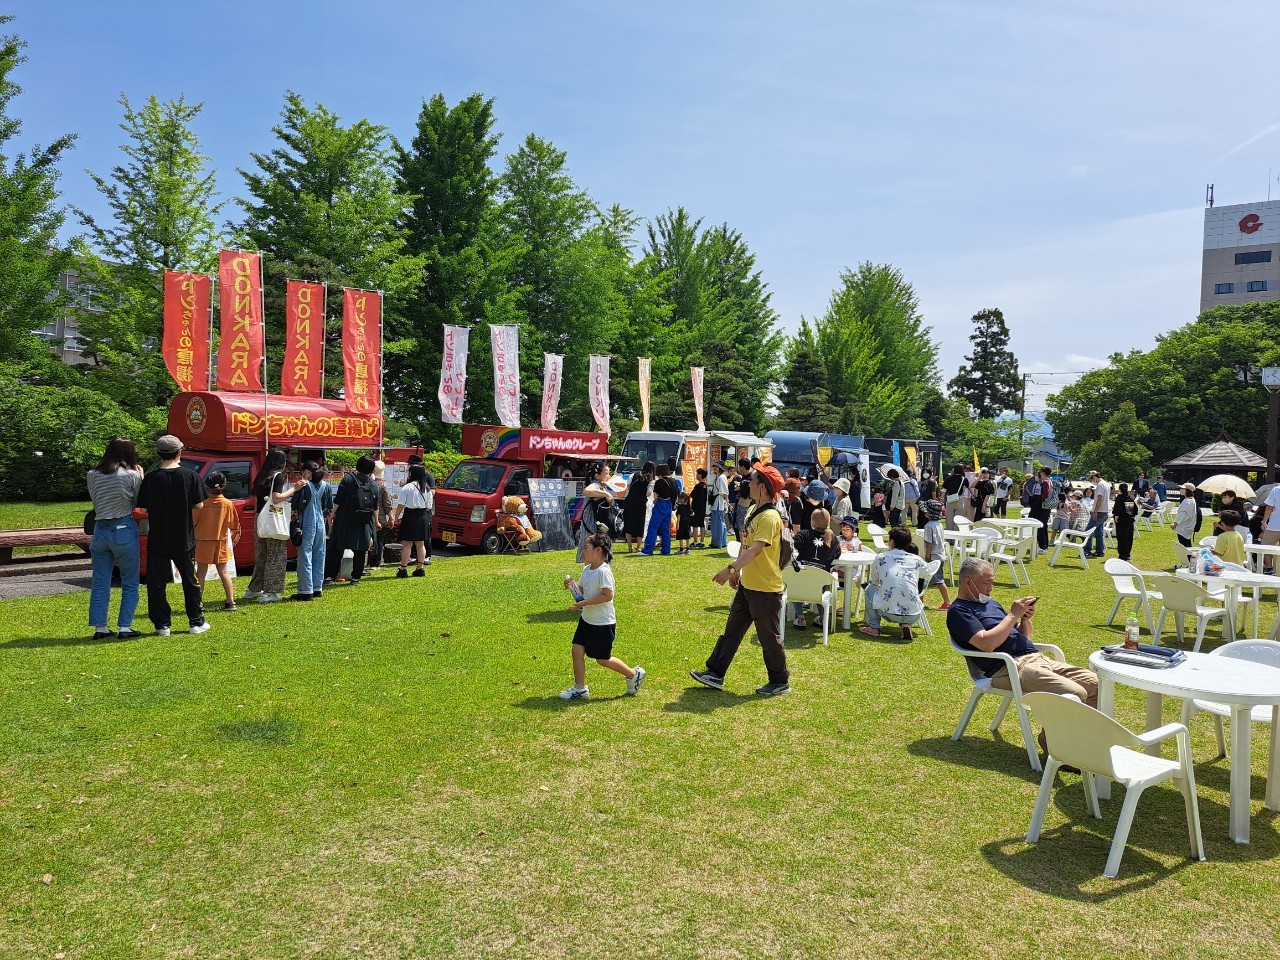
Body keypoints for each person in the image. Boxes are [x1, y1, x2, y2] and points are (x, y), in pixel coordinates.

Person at [948, 559, 1098, 725]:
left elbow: (1024, 637)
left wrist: (1025, 619)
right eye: (987, 583)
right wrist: (1012, 616)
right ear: (968, 582)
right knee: (1075, 693)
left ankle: (1086, 740)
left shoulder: (992, 604)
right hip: (1010, 668)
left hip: (1037, 659)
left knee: (1096, 685)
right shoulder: (958, 611)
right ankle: (1053, 744)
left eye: (993, 583)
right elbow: (986, 644)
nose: (991, 589)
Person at [692, 464, 791, 696]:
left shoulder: (769, 516)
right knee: (732, 631)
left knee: (769, 638)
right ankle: (715, 673)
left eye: (755, 479)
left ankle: (780, 681)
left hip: (766, 589)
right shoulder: (753, 510)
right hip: (749, 586)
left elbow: (756, 549)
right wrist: (738, 572)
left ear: (764, 488)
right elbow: (745, 545)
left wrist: (730, 569)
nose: (750, 482)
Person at [136, 434, 209, 636]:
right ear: (179, 452)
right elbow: (199, 504)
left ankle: (162, 625)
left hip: (158, 537)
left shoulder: (151, 478)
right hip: (183, 537)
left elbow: (143, 510)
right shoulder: (190, 476)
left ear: (158, 454)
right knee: (190, 580)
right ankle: (196, 621)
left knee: (157, 582)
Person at [559, 529, 644, 700]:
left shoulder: (603, 571)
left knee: (602, 659)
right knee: (576, 650)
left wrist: (583, 604)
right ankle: (580, 688)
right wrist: (572, 586)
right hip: (587, 620)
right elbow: (582, 591)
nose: (583, 551)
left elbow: (607, 595)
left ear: (598, 550)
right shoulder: (587, 569)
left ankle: (633, 675)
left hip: (602, 623)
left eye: (586, 547)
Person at [86, 437, 144, 640]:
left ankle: (100, 627)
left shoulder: (92, 474)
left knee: (100, 581)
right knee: (130, 580)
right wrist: (141, 477)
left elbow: (95, 498)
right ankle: (125, 627)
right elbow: (138, 501)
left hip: (100, 529)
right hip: (123, 527)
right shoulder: (131, 475)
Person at [243, 450, 304, 603]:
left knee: (262, 556)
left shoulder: (262, 475)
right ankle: (271, 592)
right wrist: (294, 489)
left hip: (260, 518)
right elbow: (276, 498)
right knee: (276, 556)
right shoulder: (278, 476)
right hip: (273, 519)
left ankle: (253, 589)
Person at [859, 526, 929, 639]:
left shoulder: (881, 557)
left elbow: (875, 581)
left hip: (887, 612)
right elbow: (927, 573)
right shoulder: (916, 559)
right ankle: (906, 624)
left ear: (892, 542)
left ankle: (874, 627)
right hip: (914, 613)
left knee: (869, 588)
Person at [324, 455, 380, 585]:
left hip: (345, 519)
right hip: (364, 521)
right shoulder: (373, 484)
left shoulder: (348, 479)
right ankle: (356, 578)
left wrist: (332, 513)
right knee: (360, 550)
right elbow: (375, 506)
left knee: (337, 548)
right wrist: (376, 522)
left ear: (357, 466)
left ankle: (329, 576)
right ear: (371, 471)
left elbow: (338, 499)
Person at [193, 471, 242, 612]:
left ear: (206, 486)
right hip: (221, 540)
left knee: (201, 572)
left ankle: (198, 603)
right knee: (224, 571)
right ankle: (231, 602)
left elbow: (193, 521)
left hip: (203, 540)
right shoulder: (228, 504)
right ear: (225, 485)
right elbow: (234, 525)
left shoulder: (201, 503)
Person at [790, 507, 840, 628]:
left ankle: (800, 617)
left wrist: (791, 536)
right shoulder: (833, 539)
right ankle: (823, 618)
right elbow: (837, 555)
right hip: (820, 585)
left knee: (792, 583)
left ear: (812, 522)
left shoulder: (804, 534)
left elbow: (793, 545)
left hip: (801, 583)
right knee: (822, 585)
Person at [290, 461, 331, 601]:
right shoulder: (326, 486)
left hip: (307, 523)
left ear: (307, 472)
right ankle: (317, 588)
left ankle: (305, 591)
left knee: (304, 556)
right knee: (319, 555)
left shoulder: (303, 485)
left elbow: (294, 504)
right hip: (321, 523)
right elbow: (327, 506)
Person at [395, 463, 433, 577]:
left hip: (410, 516)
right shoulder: (427, 488)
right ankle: (420, 568)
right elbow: (429, 506)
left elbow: (401, 505)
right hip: (423, 516)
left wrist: (396, 517)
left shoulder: (407, 487)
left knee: (407, 544)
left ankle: (403, 569)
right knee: (420, 544)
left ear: (412, 474)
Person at [579, 462, 616, 562]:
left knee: (598, 554)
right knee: (592, 553)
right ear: (597, 475)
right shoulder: (594, 485)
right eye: (606, 473)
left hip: (599, 525)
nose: (608, 476)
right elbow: (586, 491)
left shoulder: (602, 486)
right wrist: (605, 494)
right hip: (591, 525)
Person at [918, 499, 952, 610]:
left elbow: (929, 543)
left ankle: (947, 602)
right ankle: (920, 600)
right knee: (924, 578)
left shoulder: (928, 526)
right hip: (940, 554)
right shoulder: (938, 524)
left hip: (933, 556)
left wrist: (927, 557)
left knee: (937, 580)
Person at [640, 462, 675, 557]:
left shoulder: (658, 482)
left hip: (660, 504)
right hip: (669, 505)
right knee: (665, 529)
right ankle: (666, 549)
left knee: (653, 527)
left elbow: (655, 496)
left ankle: (648, 549)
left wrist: (656, 501)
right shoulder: (673, 481)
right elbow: (676, 494)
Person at [367, 460, 394, 571]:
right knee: (378, 541)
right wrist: (391, 518)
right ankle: (376, 563)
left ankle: (367, 561)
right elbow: (387, 505)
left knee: (369, 539)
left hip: (368, 517)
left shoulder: (367, 483)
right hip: (380, 519)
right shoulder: (383, 487)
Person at [622, 461, 653, 554]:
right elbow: (648, 493)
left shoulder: (634, 475)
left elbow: (628, 486)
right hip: (641, 503)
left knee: (629, 523)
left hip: (629, 501)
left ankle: (629, 546)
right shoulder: (651, 479)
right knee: (640, 524)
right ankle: (639, 547)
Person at [1085, 470, 1111, 558]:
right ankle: (1100, 551)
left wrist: (1096, 511)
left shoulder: (1100, 485)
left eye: (1092, 480)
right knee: (1099, 532)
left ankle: (1087, 550)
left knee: (1088, 530)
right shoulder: (1106, 484)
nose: (1092, 482)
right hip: (1104, 511)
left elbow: (1100, 498)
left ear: (1095, 477)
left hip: (1099, 511)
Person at [1028, 467, 1053, 552]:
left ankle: (1043, 546)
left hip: (1042, 507)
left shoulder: (1045, 482)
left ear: (1043, 472)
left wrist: (1038, 497)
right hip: (1046, 507)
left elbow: (1045, 495)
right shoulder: (1049, 481)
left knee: (1040, 526)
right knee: (1044, 526)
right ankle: (1045, 545)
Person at [1111, 482, 1137, 562]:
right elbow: (1133, 511)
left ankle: (1122, 555)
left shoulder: (1120, 497)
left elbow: (1117, 509)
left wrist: (1116, 516)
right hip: (1129, 520)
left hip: (1122, 521)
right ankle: (1127, 554)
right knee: (1129, 537)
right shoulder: (1129, 497)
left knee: (1122, 537)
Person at [708, 461, 730, 549]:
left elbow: (724, 492)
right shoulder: (720, 477)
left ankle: (718, 543)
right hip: (719, 502)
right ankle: (722, 542)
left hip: (719, 503)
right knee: (720, 523)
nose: (714, 468)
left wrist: (726, 502)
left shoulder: (721, 478)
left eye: (716, 467)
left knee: (718, 524)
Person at [733, 457, 753, 541]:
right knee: (737, 525)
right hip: (739, 503)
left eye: (740, 466)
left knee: (743, 527)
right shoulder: (744, 476)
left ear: (743, 467)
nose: (739, 468)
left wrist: (740, 487)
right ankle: (740, 543)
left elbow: (749, 490)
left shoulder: (751, 477)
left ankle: (742, 544)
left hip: (746, 505)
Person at [1175, 482, 1200, 550]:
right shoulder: (1191, 500)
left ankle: (1189, 559)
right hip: (1188, 527)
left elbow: (1184, 514)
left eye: (1183, 488)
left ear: (1187, 490)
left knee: (1185, 547)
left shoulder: (1187, 501)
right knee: (1187, 545)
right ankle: (1190, 559)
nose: (1180, 490)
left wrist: (1176, 523)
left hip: (1184, 528)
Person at [943, 464, 967, 531]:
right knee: (958, 518)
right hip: (959, 498)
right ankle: (956, 532)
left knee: (949, 517)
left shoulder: (949, 478)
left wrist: (941, 499)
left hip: (950, 499)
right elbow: (968, 487)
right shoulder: (964, 479)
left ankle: (949, 532)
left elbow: (944, 490)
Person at [690, 468, 708, 549]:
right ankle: (702, 542)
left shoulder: (698, 486)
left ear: (700, 475)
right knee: (702, 524)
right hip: (703, 507)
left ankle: (695, 542)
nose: (696, 475)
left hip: (696, 508)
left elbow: (691, 495)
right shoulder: (705, 486)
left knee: (695, 525)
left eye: (697, 474)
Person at [675, 491, 694, 555]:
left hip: (681, 523)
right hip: (687, 523)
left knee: (680, 537)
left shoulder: (680, 507)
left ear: (683, 499)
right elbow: (693, 514)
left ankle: (681, 549)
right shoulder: (688, 507)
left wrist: (677, 525)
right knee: (687, 537)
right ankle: (688, 549)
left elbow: (679, 517)